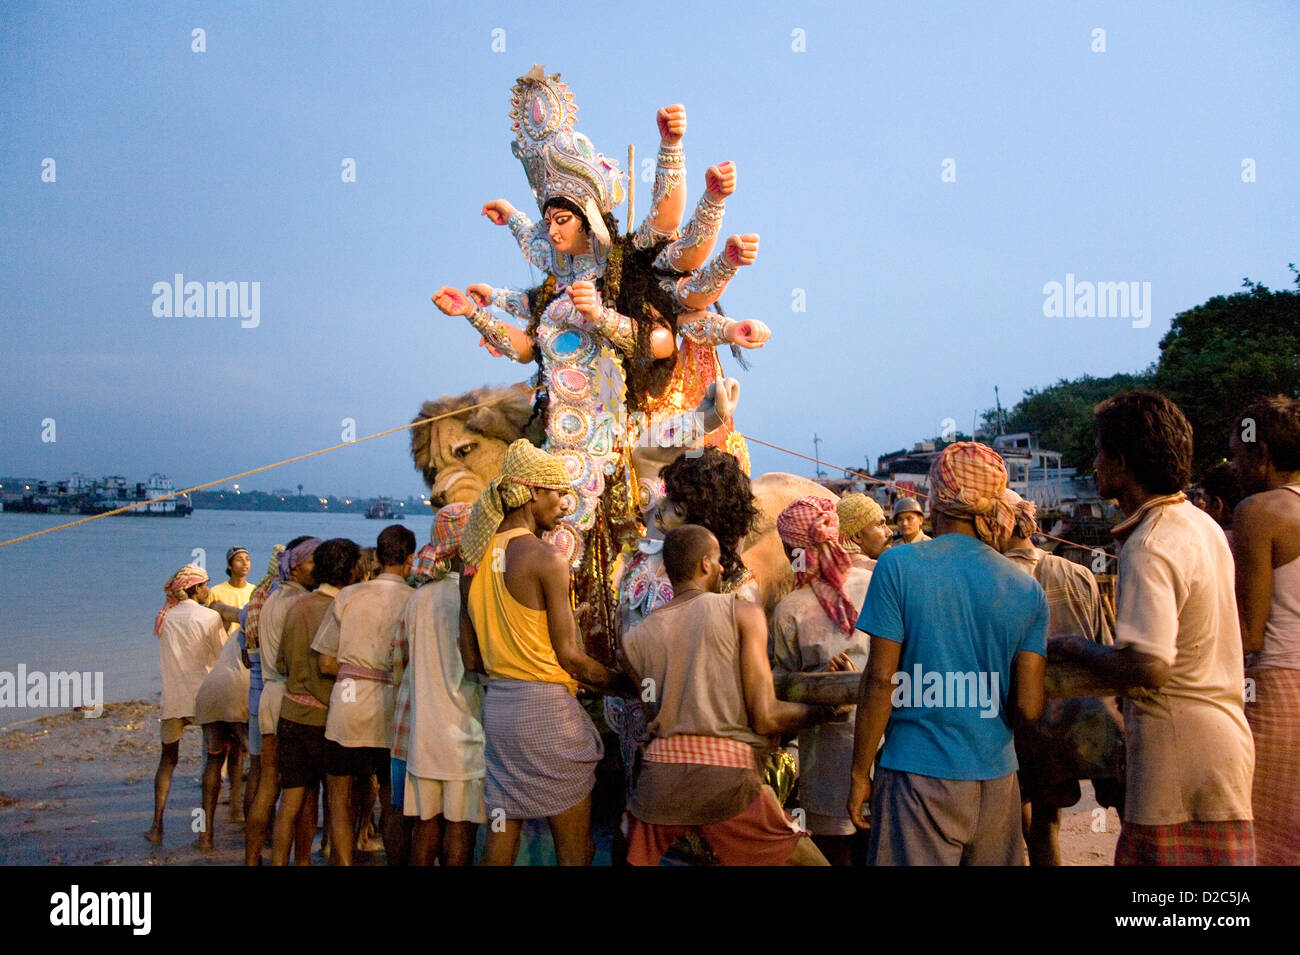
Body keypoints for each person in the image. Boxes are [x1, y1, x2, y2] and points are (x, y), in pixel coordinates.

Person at [1053, 391, 1255, 866]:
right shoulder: (1200, 524)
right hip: (1221, 741)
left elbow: (1148, 666)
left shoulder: (1151, 542)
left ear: (1122, 462)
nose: (1095, 464)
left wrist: (1075, 647)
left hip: (1177, 750)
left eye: (1100, 452)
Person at [848, 442, 1048, 866]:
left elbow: (881, 680)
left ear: (935, 499)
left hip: (915, 777)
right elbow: (1029, 707)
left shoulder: (898, 566)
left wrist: (859, 773)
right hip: (997, 780)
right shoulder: (1027, 589)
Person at [460, 439, 632, 866]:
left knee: (501, 836)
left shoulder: (473, 560)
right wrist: (631, 687)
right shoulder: (546, 558)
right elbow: (572, 659)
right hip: (547, 715)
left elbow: (471, 659)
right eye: (558, 494)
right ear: (533, 492)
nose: (565, 505)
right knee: (575, 848)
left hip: (500, 713)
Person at [621, 524, 835, 865]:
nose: (722, 568)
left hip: (658, 781)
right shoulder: (742, 612)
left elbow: (653, 712)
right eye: (718, 560)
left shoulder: (635, 639)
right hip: (726, 780)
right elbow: (766, 717)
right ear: (705, 564)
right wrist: (823, 712)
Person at [998, 489, 1123, 866]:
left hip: (1034, 725)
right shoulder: (1077, 573)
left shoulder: (995, 581)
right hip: (1093, 719)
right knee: (1125, 812)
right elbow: (1104, 645)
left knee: (1043, 821)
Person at [770, 496, 873, 865]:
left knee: (835, 855)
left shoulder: (789, 609)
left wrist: (818, 685)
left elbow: (780, 687)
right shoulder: (876, 582)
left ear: (793, 550)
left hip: (826, 763)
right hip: (886, 749)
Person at [313, 525, 416, 865]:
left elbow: (325, 662)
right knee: (394, 801)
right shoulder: (415, 599)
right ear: (410, 559)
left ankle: (342, 861)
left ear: (377, 558)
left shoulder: (348, 596)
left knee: (339, 800)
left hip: (348, 708)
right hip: (394, 714)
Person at [391, 503, 485, 866]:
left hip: (423, 737)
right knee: (460, 831)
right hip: (463, 734)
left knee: (426, 828)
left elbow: (400, 663)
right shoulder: (472, 597)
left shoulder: (418, 598)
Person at [1229, 395, 1300, 865]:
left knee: (1269, 840)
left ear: (1264, 455)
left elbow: (1249, 635)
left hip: (1277, 685)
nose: (1233, 467)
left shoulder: (1258, 511)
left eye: (1238, 455)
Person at [271, 538, 359, 866]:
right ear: (349, 570)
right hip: (327, 720)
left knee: (290, 803)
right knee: (338, 803)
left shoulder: (296, 605)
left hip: (292, 714)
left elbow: (281, 664)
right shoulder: (345, 608)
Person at [245, 536, 320, 865]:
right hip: (292, 699)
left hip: (269, 695)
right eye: (313, 561)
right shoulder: (300, 602)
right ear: (297, 566)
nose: (318, 568)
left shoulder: (272, 597)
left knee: (268, 784)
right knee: (306, 791)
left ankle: (251, 860)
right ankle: (300, 861)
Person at [144, 564, 226, 844]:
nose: (208, 590)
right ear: (196, 588)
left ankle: (157, 826)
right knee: (213, 759)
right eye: (205, 585)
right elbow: (220, 656)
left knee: (167, 761)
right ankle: (206, 834)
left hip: (174, 698)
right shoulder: (210, 616)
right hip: (205, 696)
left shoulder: (165, 617)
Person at [193, 616, 250, 850]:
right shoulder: (266, 630)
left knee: (214, 761)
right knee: (259, 765)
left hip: (210, 689)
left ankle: (204, 837)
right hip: (239, 690)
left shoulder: (236, 634)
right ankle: (256, 832)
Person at [837, 492, 891, 571]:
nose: (890, 532)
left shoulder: (833, 569)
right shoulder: (882, 569)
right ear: (857, 536)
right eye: (880, 525)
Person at [1198, 461, 1245, 544]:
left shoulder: (1210, 543)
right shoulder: (1257, 533)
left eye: (1205, 502)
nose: (1202, 509)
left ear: (1217, 505)